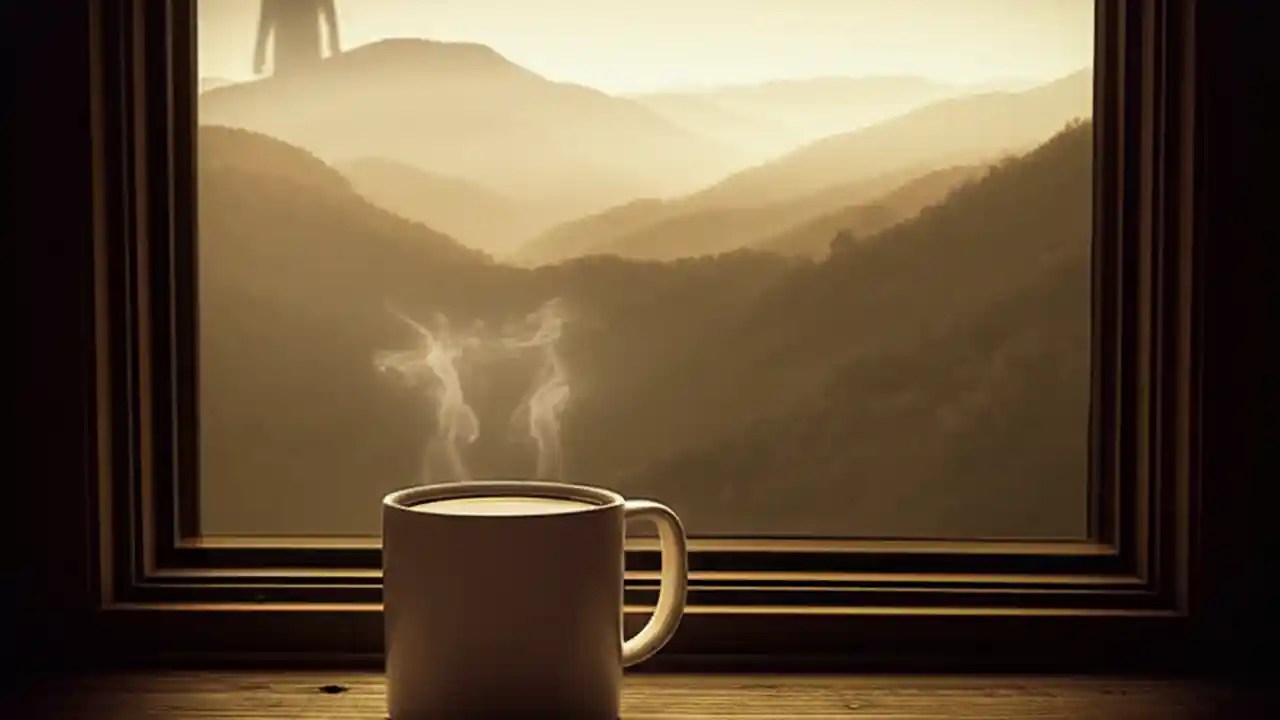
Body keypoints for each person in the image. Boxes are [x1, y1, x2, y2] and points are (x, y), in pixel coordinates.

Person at [253, 0, 340, 76]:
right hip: (307, 53)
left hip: (287, 58)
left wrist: (259, 59)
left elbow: (264, 23)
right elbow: (330, 14)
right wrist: (335, 48)